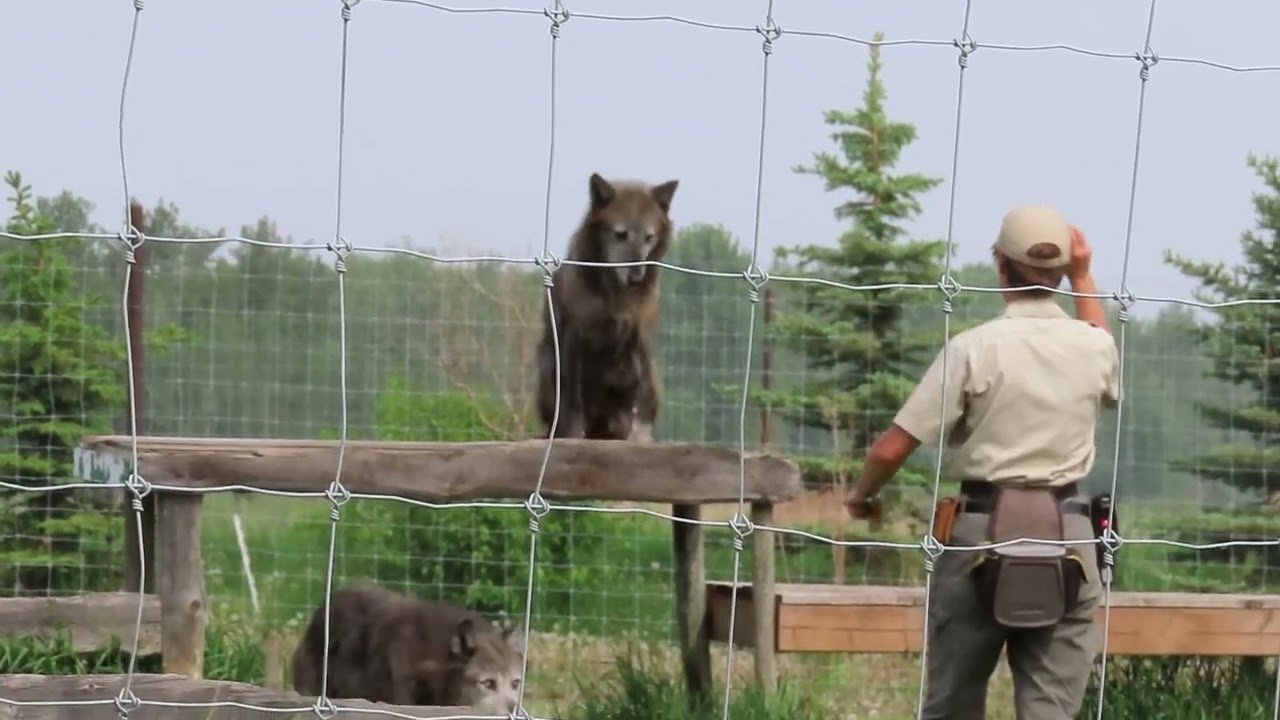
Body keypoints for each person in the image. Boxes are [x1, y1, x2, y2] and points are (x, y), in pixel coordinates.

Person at [844, 205, 1121, 720]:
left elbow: (890, 449)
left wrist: (862, 496)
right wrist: (1084, 276)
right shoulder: (1094, 348)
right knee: (1050, 711)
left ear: (1001, 266)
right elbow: (1100, 339)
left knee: (953, 702)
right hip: (1069, 536)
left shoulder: (973, 348)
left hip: (977, 533)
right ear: (1061, 273)